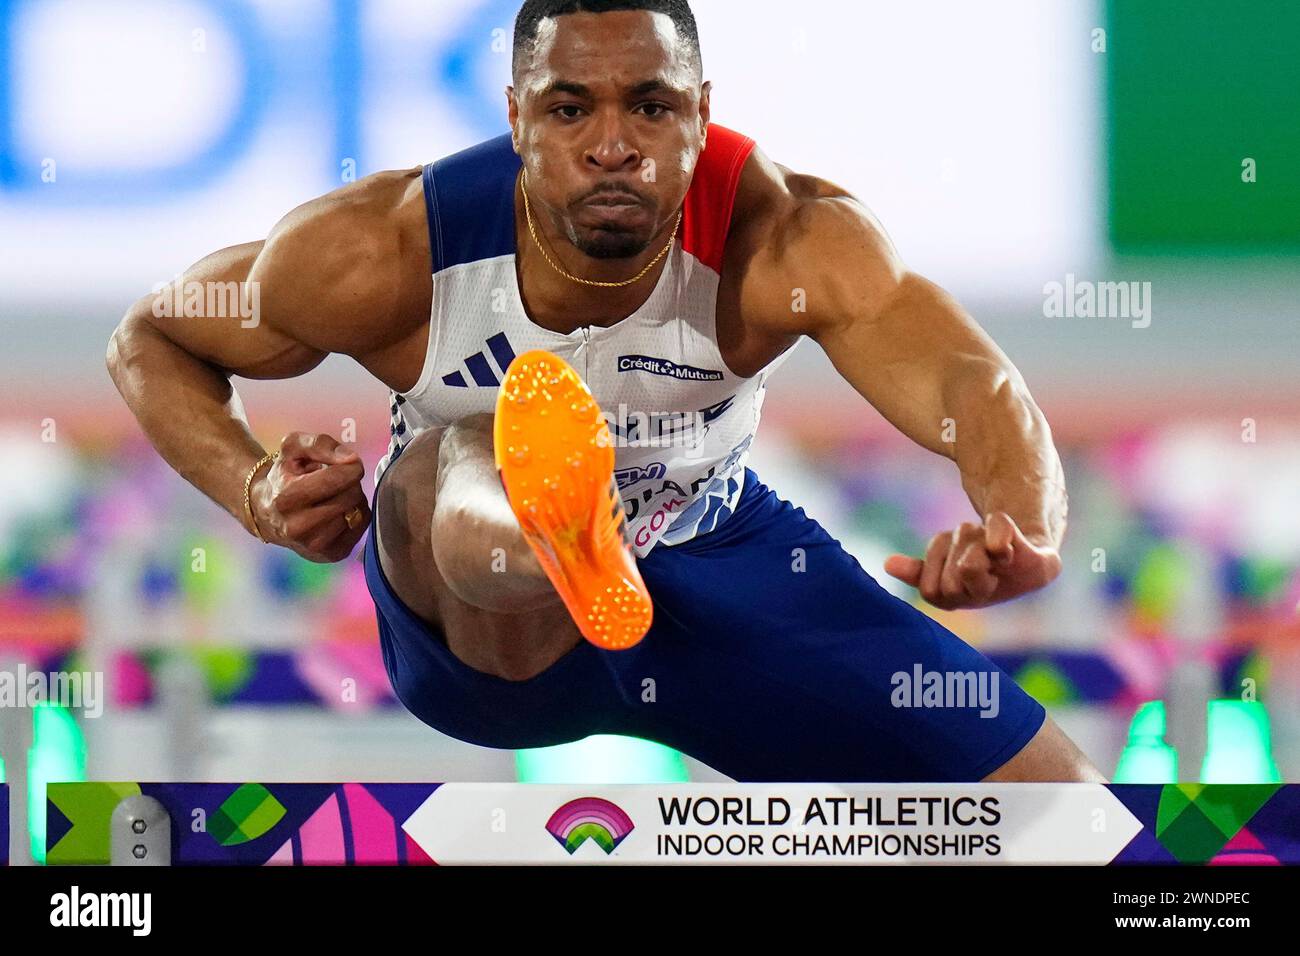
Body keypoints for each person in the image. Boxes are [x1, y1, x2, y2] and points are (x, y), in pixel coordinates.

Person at [108, 0, 1104, 782]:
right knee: (454, 458)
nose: (612, 144)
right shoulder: (381, 250)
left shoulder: (793, 240)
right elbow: (149, 337)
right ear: (514, 116)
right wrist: (255, 492)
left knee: (1065, 810)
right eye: (570, 108)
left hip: (715, 560)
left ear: (701, 112)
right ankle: (554, 536)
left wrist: (1021, 527)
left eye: (651, 106)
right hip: (486, 631)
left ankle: (586, 537)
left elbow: (978, 387)